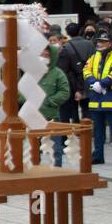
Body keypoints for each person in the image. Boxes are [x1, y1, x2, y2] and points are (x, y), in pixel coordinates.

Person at [83, 30, 112, 167]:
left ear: (111, 43)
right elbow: (86, 70)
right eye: (98, 41)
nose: (100, 44)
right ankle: (98, 156)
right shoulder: (93, 56)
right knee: (97, 131)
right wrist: (93, 83)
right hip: (96, 99)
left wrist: (102, 83)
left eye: (103, 41)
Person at [37, 30, 70, 165]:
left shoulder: (58, 73)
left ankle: (57, 170)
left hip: (52, 115)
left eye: (47, 54)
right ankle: (34, 171)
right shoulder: (33, 71)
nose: (45, 55)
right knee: (33, 147)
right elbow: (22, 90)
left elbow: (64, 91)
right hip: (34, 116)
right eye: (42, 53)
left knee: (56, 147)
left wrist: (51, 101)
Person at [58, 22, 95, 124]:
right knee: (87, 105)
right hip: (88, 76)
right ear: (80, 31)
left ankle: (76, 125)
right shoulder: (90, 44)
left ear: (67, 33)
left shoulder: (67, 46)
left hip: (73, 79)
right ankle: (87, 128)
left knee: (73, 105)